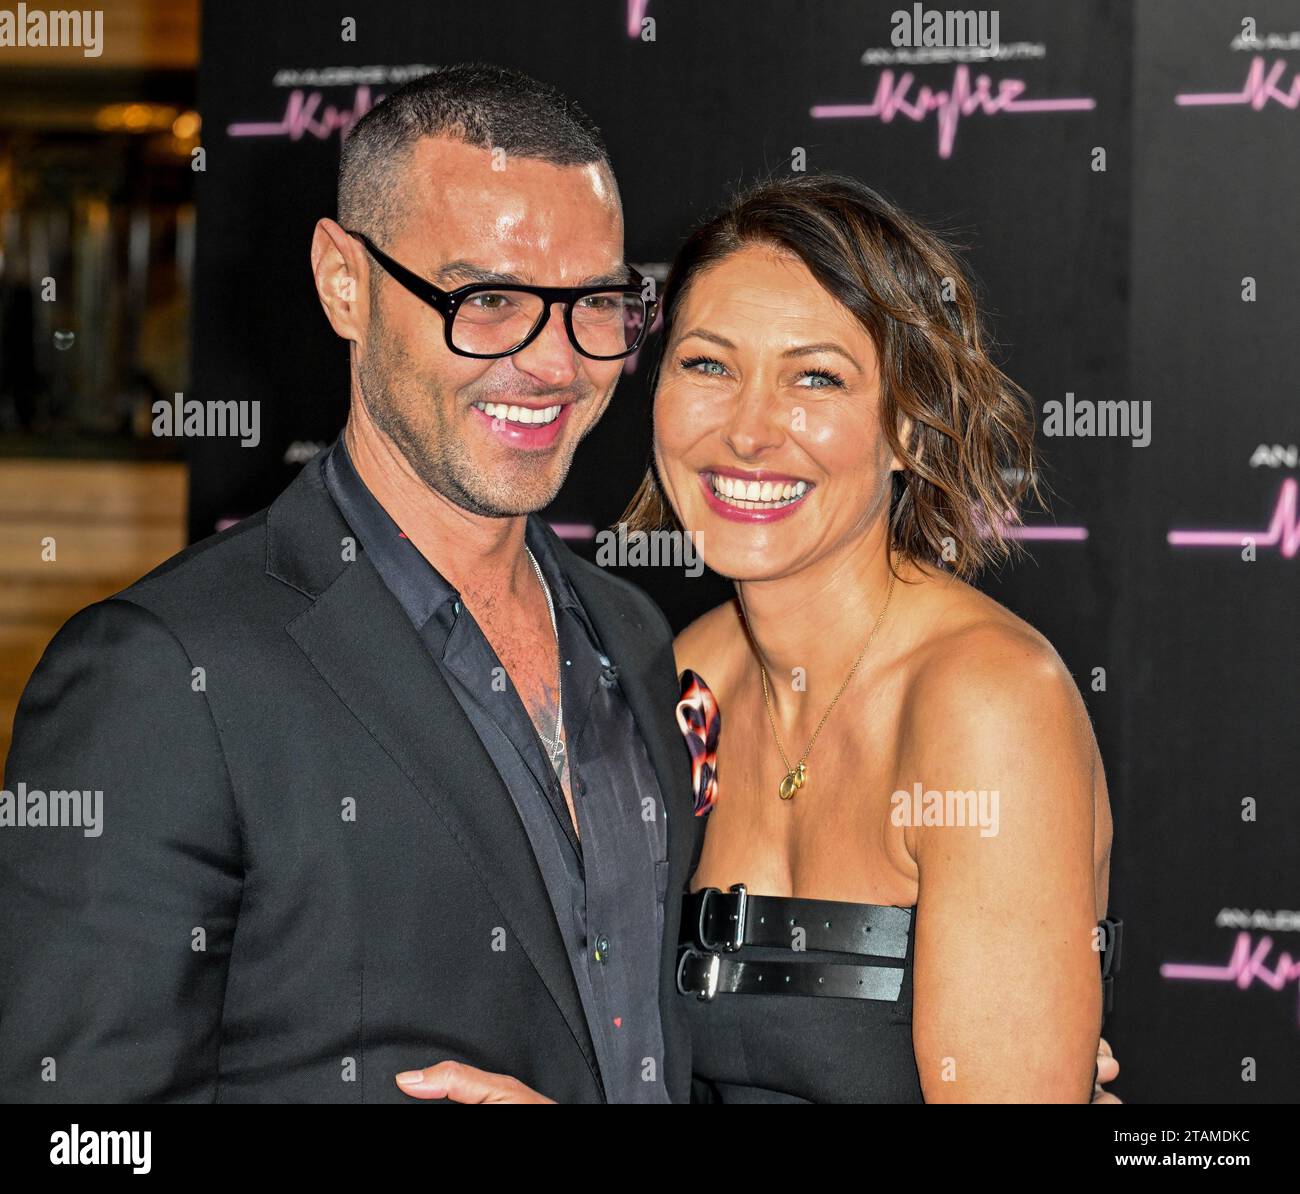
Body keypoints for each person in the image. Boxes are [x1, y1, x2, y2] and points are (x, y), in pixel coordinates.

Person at [0, 63, 1119, 1105]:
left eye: (590, 301)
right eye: (484, 296)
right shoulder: (165, 674)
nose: (548, 358)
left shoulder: (633, 646)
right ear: (345, 282)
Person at [635, 172, 1118, 1101]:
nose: (747, 431)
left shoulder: (985, 703)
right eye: (707, 364)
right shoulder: (683, 681)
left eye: (815, 377)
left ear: (908, 427)